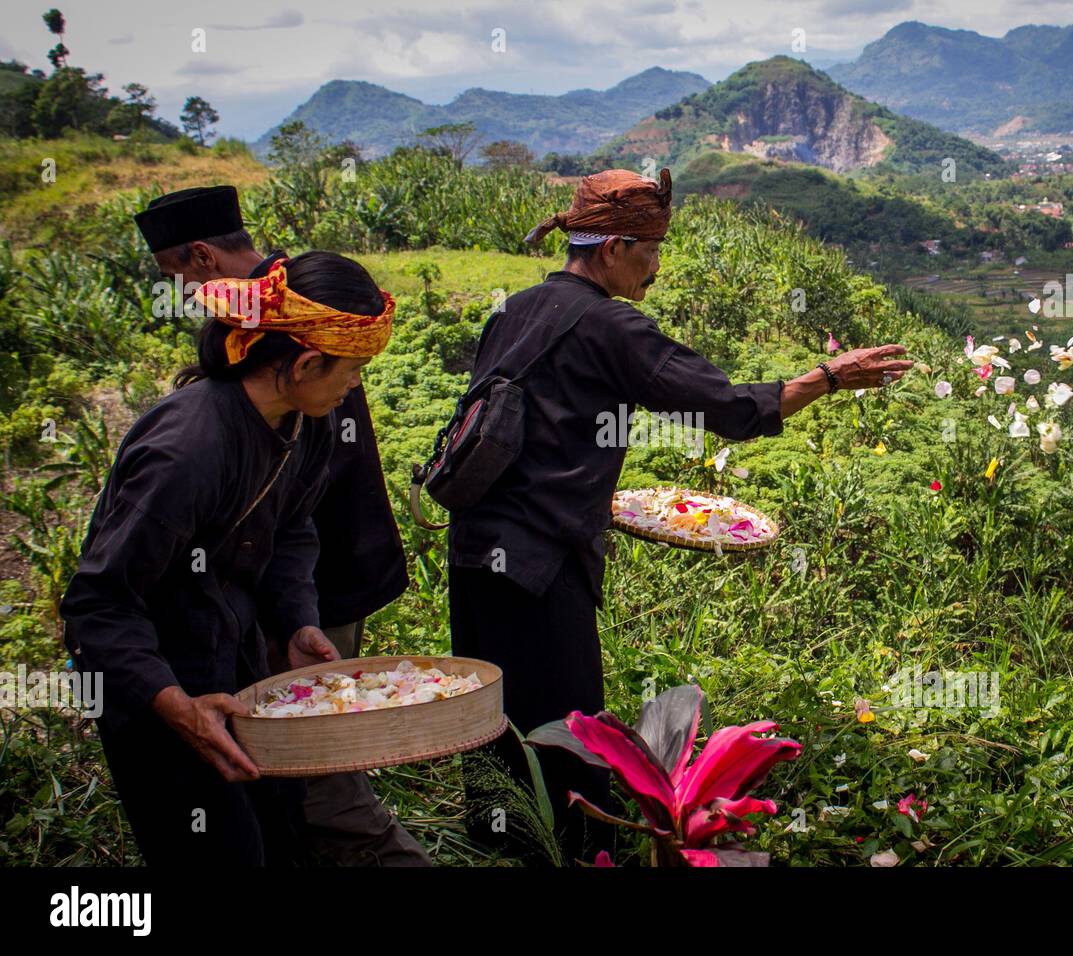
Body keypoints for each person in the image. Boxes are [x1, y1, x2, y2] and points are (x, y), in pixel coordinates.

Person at [447, 167, 913, 864]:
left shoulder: (516, 307)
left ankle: (495, 847)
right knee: (563, 729)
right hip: (540, 565)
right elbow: (722, 408)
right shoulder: (612, 325)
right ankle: (578, 855)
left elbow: (522, 426)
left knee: (491, 721)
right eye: (651, 251)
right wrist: (829, 378)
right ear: (610, 249)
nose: (657, 269)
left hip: (475, 549)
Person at [60, 251, 398, 865]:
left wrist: (297, 620)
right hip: (155, 682)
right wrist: (179, 709)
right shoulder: (187, 452)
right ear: (305, 363)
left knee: (278, 836)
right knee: (214, 847)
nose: (356, 386)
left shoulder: (305, 421)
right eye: (352, 369)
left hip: (232, 657)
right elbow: (98, 607)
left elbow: (293, 531)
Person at [126, 186, 429, 866]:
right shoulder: (207, 429)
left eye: (179, 278)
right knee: (275, 776)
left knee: (312, 774)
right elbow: (108, 601)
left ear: (201, 257)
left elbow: (296, 518)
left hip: (313, 587)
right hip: (268, 601)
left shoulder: (303, 341)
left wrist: (293, 614)